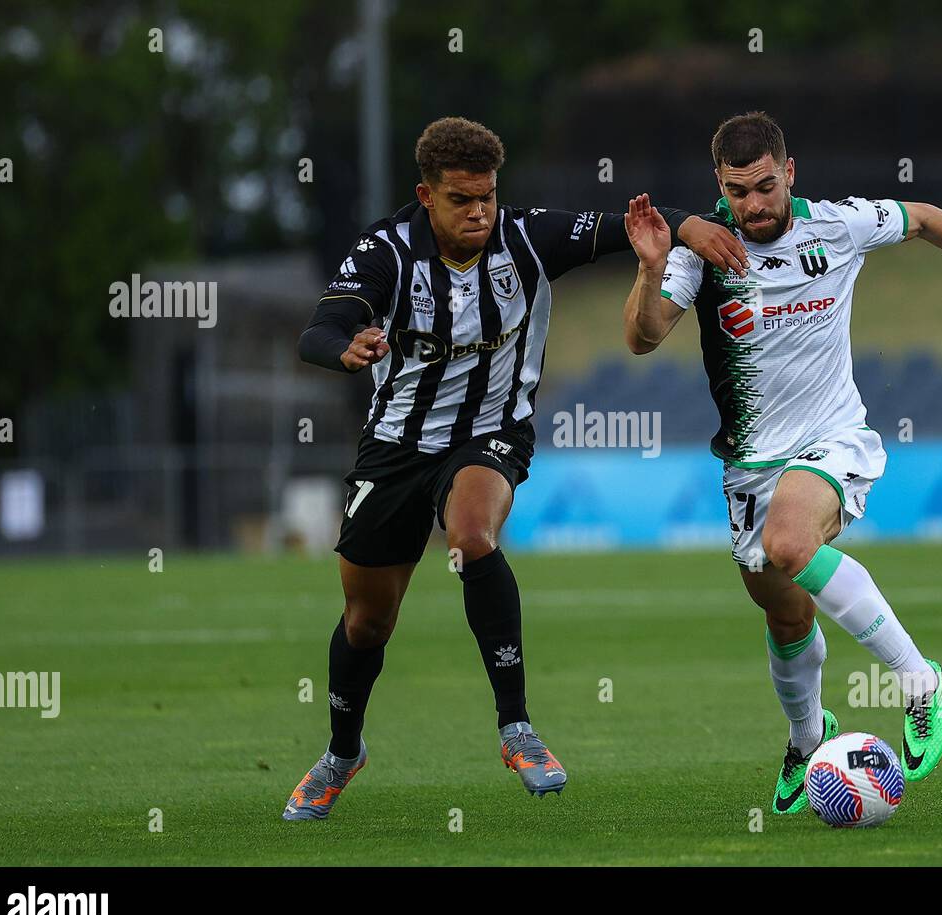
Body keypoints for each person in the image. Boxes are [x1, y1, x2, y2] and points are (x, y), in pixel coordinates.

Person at [284, 116, 747, 818]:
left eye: (487, 198)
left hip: (492, 435)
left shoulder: (527, 236)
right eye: (461, 200)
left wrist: (688, 231)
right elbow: (319, 328)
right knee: (366, 622)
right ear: (426, 194)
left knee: (473, 536)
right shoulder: (387, 249)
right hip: (395, 448)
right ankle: (342, 752)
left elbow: (634, 221)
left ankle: (516, 727)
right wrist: (344, 348)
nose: (478, 213)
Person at [620, 111, 942, 812]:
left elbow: (926, 217)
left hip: (831, 438)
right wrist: (651, 267)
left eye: (763, 187)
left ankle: (921, 682)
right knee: (784, 618)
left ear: (790, 172)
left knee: (791, 543)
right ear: (718, 184)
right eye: (736, 191)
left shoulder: (838, 225)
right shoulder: (705, 249)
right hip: (751, 464)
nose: (752, 206)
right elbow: (643, 337)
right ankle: (805, 738)